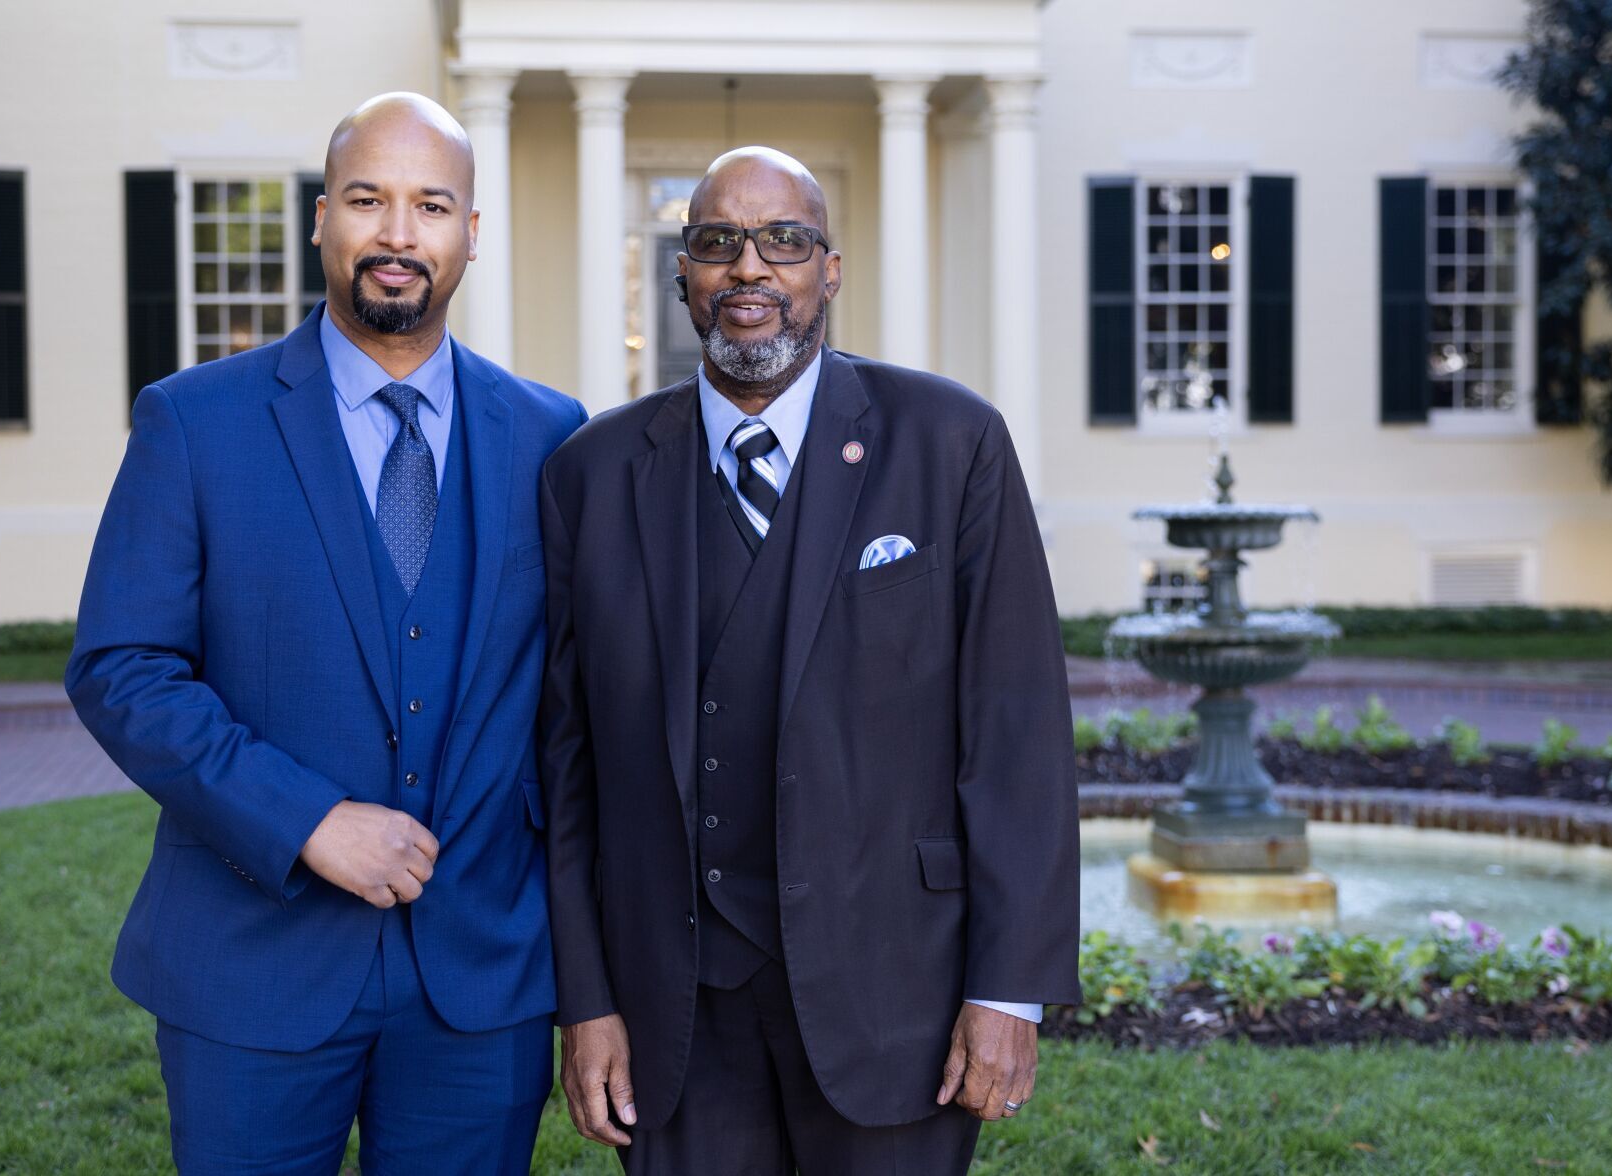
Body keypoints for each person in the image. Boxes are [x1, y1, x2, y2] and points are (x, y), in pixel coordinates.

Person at [67, 93, 584, 1174]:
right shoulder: (194, 421)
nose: (398, 234)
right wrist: (307, 820)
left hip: (477, 980)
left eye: (431, 205)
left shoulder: (551, 437)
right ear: (319, 220)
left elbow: (579, 697)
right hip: (251, 967)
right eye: (368, 199)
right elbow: (123, 668)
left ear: (470, 234)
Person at [539, 146, 1081, 1174]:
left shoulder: (948, 441)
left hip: (897, 997)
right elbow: (566, 771)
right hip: (672, 1008)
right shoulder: (590, 476)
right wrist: (588, 1001)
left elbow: (1014, 729)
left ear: (827, 270)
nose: (749, 268)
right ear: (683, 277)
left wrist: (1006, 990)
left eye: (782, 240)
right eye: (715, 244)